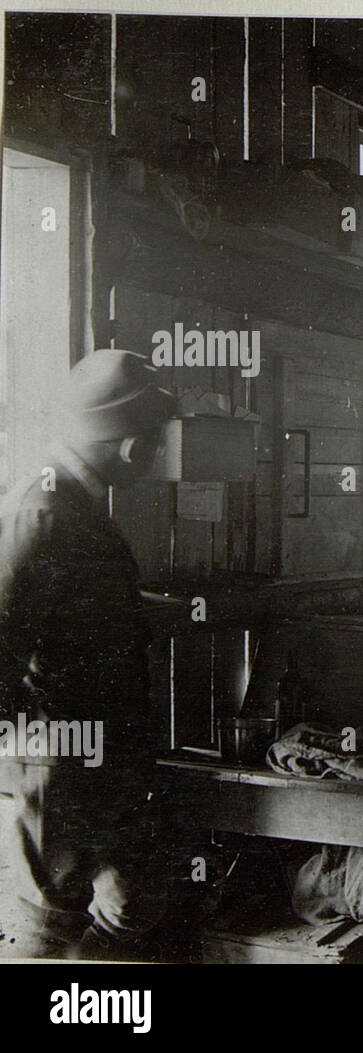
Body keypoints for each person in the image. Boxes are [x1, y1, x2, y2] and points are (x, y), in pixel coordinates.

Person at [0, 349, 176, 958]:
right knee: (53, 947)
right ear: (132, 447)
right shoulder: (45, 511)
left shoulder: (73, 505)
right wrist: (93, 853)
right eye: (153, 444)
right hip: (63, 809)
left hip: (89, 796)